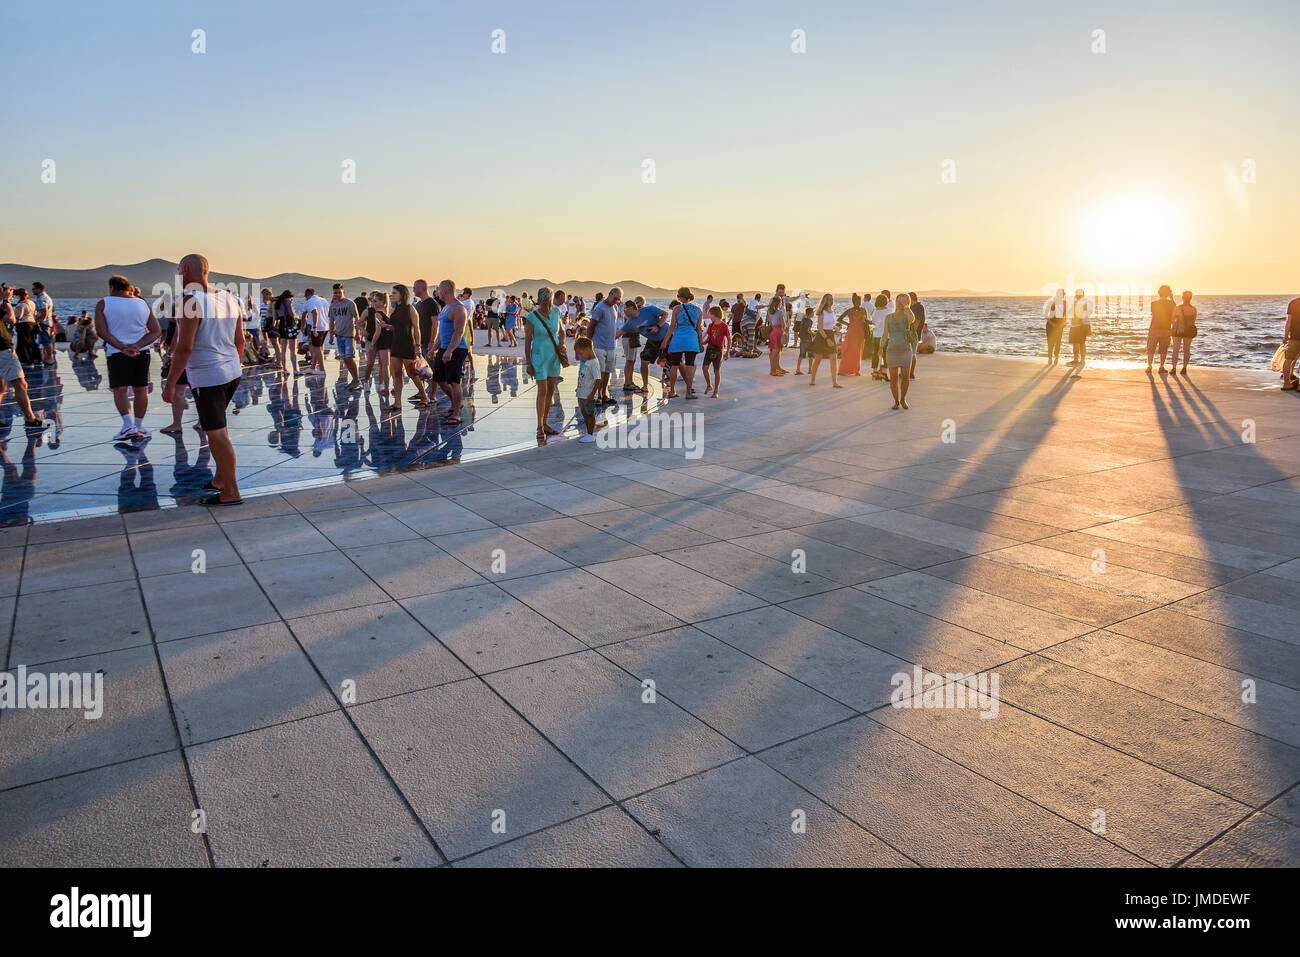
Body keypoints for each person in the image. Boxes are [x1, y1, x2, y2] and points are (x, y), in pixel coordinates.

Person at [162, 254, 244, 506]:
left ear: (186, 269)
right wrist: (232, 364)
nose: (177, 274)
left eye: (178, 269)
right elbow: (240, 339)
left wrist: (169, 383)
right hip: (230, 372)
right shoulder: (229, 297)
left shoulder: (191, 301)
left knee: (216, 433)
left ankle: (230, 491)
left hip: (209, 376)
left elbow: (185, 348)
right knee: (218, 427)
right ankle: (220, 479)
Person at [94, 274, 162, 441]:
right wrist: (137, 346)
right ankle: (138, 426)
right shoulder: (142, 303)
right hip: (141, 352)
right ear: (128, 287)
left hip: (117, 353)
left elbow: (102, 332)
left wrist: (123, 347)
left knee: (120, 389)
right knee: (141, 389)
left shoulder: (104, 303)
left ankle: (128, 425)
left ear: (112, 287)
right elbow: (155, 331)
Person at [0, 288, 47, 428]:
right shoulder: (4, 303)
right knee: (21, 384)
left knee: (1, 386)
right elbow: (10, 318)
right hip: (3, 348)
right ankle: (30, 419)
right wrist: (6, 300)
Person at [525, 286, 565, 443]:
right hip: (539, 357)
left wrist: (562, 344)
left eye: (545, 300)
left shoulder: (556, 313)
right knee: (542, 390)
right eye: (543, 300)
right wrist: (528, 364)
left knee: (550, 391)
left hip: (554, 357)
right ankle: (539, 426)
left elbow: (561, 331)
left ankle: (545, 422)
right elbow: (527, 343)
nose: (544, 303)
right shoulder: (532, 318)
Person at [385, 283, 429, 411]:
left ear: (402, 295)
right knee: (397, 374)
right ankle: (397, 402)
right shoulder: (393, 309)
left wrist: (418, 345)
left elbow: (417, 328)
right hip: (395, 344)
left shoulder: (410, 308)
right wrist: (386, 326)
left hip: (408, 344)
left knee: (412, 373)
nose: (392, 295)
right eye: (392, 293)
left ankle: (424, 397)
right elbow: (394, 327)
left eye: (394, 293)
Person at [432, 279, 470, 425]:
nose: (437, 292)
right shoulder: (445, 307)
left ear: (445, 290)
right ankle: (455, 403)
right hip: (445, 347)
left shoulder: (458, 308)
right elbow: (443, 332)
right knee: (440, 379)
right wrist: (433, 348)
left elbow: (458, 332)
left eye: (438, 289)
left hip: (457, 348)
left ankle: (456, 413)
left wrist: (449, 351)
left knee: (454, 381)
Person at [661, 287, 704, 399]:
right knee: (690, 366)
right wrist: (701, 343)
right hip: (692, 340)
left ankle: (672, 391)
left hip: (678, 339)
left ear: (679, 297)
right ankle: (688, 393)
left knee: (675, 365)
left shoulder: (677, 308)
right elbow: (699, 328)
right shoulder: (698, 310)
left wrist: (665, 341)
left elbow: (672, 327)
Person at [880, 292, 918, 410]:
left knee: (905, 377)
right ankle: (896, 401)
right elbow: (885, 335)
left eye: (903, 301)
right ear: (895, 302)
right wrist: (880, 348)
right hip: (891, 350)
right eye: (898, 301)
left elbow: (912, 319)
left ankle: (903, 399)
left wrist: (906, 307)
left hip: (905, 349)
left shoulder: (907, 316)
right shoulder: (888, 317)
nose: (900, 303)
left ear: (907, 303)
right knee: (893, 378)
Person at [586, 287, 621, 405]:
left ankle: (604, 394)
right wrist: (589, 343)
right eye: (615, 298)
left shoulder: (615, 307)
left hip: (611, 345)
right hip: (599, 345)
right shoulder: (600, 307)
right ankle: (598, 395)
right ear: (609, 294)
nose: (616, 301)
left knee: (607, 372)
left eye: (618, 299)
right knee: (599, 372)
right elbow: (591, 326)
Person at [625, 299, 666, 394]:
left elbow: (665, 314)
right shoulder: (632, 318)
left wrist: (658, 327)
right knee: (644, 361)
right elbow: (624, 329)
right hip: (652, 340)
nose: (641, 307)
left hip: (665, 336)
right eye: (639, 305)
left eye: (641, 305)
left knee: (674, 363)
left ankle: (687, 387)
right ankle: (645, 386)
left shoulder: (649, 310)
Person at [328, 283, 362, 389]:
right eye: (335, 293)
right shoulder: (333, 305)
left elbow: (357, 318)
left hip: (349, 335)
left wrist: (358, 333)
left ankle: (357, 381)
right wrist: (330, 336)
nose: (337, 294)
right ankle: (354, 380)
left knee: (349, 357)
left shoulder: (350, 303)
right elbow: (331, 321)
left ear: (343, 292)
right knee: (345, 359)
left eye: (339, 292)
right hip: (339, 336)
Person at [362, 290, 393, 398]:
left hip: (381, 340)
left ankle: (383, 385)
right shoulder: (370, 311)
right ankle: (366, 382)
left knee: (383, 364)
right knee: (371, 363)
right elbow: (358, 322)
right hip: (374, 339)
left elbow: (378, 330)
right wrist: (362, 331)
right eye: (371, 300)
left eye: (375, 301)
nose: (372, 302)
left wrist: (372, 344)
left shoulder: (384, 312)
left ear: (382, 302)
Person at [807, 293, 842, 388]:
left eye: (832, 299)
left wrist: (837, 329)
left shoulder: (833, 312)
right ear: (825, 301)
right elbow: (820, 327)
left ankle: (835, 382)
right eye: (829, 299)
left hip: (830, 334)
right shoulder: (822, 312)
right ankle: (813, 380)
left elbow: (831, 324)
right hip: (822, 336)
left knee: (834, 359)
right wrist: (827, 339)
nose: (831, 301)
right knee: (818, 359)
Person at [573, 335, 601, 443]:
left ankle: (590, 434)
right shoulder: (588, 362)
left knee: (590, 414)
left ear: (587, 349)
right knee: (584, 413)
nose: (581, 356)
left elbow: (598, 379)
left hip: (588, 395)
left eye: (581, 353)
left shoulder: (594, 363)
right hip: (582, 393)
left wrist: (592, 394)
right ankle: (588, 432)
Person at [700, 304, 730, 397]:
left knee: (716, 371)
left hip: (718, 350)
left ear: (714, 315)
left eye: (710, 315)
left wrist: (727, 352)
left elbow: (729, 339)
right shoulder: (711, 325)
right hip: (710, 349)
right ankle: (709, 385)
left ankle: (716, 391)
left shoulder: (724, 326)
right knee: (704, 368)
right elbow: (708, 338)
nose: (709, 316)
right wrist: (702, 343)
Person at [837, 293, 868, 376]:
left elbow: (866, 321)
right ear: (853, 302)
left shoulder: (863, 310)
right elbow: (839, 319)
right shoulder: (850, 310)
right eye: (857, 301)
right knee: (848, 350)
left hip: (860, 332)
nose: (858, 303)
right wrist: (848, 324)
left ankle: (856, 370)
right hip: (851, 332)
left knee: (858, 351)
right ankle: (844, 370)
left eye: (859, 301)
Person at [1147, 284, 1175, 374]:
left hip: (1154, 328)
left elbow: (1153, 315)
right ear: (1168, 293)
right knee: (1163, 349)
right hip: (1166, 328)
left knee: (1151, 348)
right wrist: (1172, 298)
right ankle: (1161, 367)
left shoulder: (1153, 304)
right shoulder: (1171, 304)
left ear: (1159, 293)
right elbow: (1173, 317)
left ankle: (1149, 366)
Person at [301, 287, 330, 374]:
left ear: (306, 295)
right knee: (319, 347)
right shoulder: (324, 300)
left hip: (317, 328)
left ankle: (322, 369)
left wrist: (312, 327)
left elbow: (313, 313)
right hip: (326, 326)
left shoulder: (308, 302)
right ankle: (313, 367)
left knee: (316, 348)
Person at [1171, 289, 1197, 375]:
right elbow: (1193, 322)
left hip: (1177, 330)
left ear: (1182, 298)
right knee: (1186, 349)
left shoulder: (1178, 308)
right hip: (1188, 331)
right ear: (1191, 298)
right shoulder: (1193, 309)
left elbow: (1172, 320)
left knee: (1176, 349)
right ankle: (1184, 368)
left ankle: (1174, 368)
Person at [1067, 288, 1092, 373]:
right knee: (1076, 343)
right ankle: (1076, 360)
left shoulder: (1085, 303)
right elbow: (1070, 312)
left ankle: (1082, 360)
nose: (1077, 296)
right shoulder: (1076, 303)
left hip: (1081, 325)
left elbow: (1086, 314)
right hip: (1075, 325)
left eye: (1078, 295)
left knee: (1080, 343)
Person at [32, 282, 55, 366]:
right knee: (45, 340)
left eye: (34, 289)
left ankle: (49, 358)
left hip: (43, 323)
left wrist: (37, 321)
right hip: (47, 322)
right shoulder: (46, 297)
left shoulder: (42, 298)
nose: (32, 291)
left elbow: (44, 313)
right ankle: (47, 357)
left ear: (39, 289)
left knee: (46, 341)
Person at [1043, 288, 1067, 365]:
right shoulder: (1051, 302)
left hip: (1060, 324)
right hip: (1050, 324)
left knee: (1058, 342)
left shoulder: (1065, 303)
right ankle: (1050, 358)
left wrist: (1063, 323)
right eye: (1060, 294)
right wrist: (1052, 324)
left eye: (1063, 294)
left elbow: (1066, 315)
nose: (1062, 295)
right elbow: (1045, 315)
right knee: (1050, 342)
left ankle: (1056, 357)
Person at [1281, 296, 1300, 391]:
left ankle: (1286, 383)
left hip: (1294, 336)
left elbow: (1289, 321)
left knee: (1288, 360)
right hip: (1295, 336)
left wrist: (1285, 336)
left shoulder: (1293, 303)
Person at [908, 293, 926, 379]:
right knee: (908, 354)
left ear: (913, 299)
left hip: (913, 334)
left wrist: (910, 333)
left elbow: (917, 322)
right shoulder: (911, 307)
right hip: (909, 334)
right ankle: (906, 372)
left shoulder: (918, 307)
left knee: (912, 354)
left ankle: (911, 374)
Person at [794, 306, 814, 374]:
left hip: (802, 339)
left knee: (801, 355)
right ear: (810, 314)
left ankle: (798, 369)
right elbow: (808, 331)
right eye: (813, 313)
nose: (813, 314)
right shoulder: (810, 321)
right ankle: (810, 370)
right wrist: (815, 333)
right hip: (808, 339)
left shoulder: (803, 319)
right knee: (811, 355)